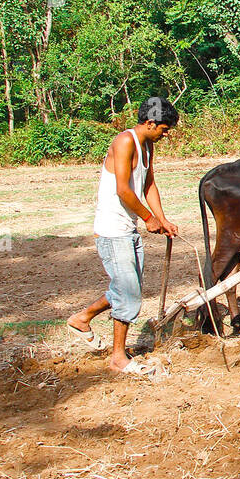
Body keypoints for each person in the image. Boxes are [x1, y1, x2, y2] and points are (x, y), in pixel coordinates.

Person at [68, 97, 180, 376]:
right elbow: (123, 189)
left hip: (127, 228)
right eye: (164, 129)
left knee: (126, 288)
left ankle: (82, 319)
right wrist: (147, 218)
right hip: (111, 230)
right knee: (129, 294)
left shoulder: (147, 146)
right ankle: (118, 357)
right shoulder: (125, 142)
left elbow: (148, 184)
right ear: (150, 123)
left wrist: (162, 219)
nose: (166, 135)